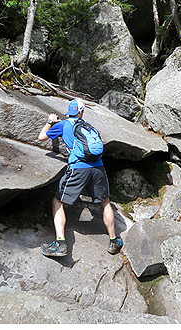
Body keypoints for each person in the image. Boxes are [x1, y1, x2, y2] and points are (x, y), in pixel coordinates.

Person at [37, 98, 123, 257]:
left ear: (69, 112)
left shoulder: (63, 125)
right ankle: (114, 241)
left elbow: (41, 137)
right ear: (81, 111)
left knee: (58, 201)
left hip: (78, 168)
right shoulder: (88, 126)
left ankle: (60, 244)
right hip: (98, 167)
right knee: (105, 202)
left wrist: (50, 122)